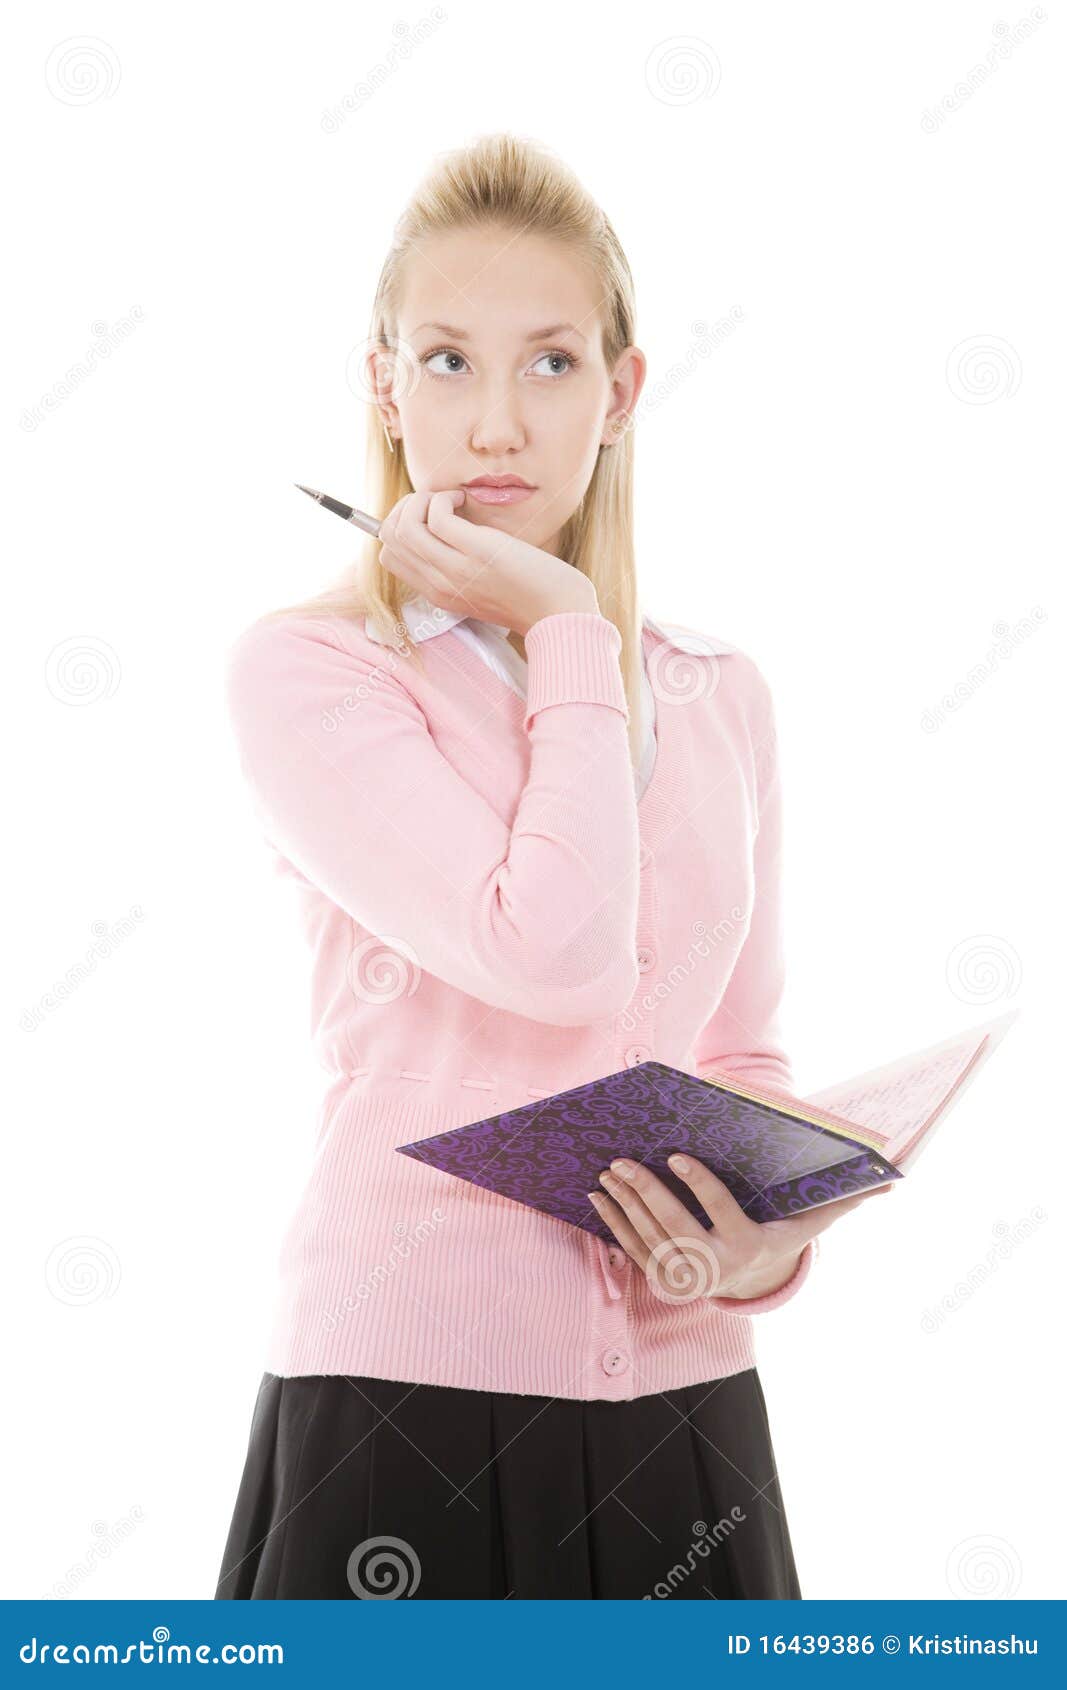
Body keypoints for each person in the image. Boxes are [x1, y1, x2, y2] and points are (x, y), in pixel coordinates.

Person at [213, 131, 889, 1602]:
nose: (499, 423)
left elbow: (738, 1054)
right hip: (401, 1407)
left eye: (552, 362)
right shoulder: (316, 673)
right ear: (384, 385)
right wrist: (574, 626)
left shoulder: (722, 696)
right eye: (448, 362)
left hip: (689, 1420)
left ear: (621, 389)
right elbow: (552, 949)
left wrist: (754, 1254)